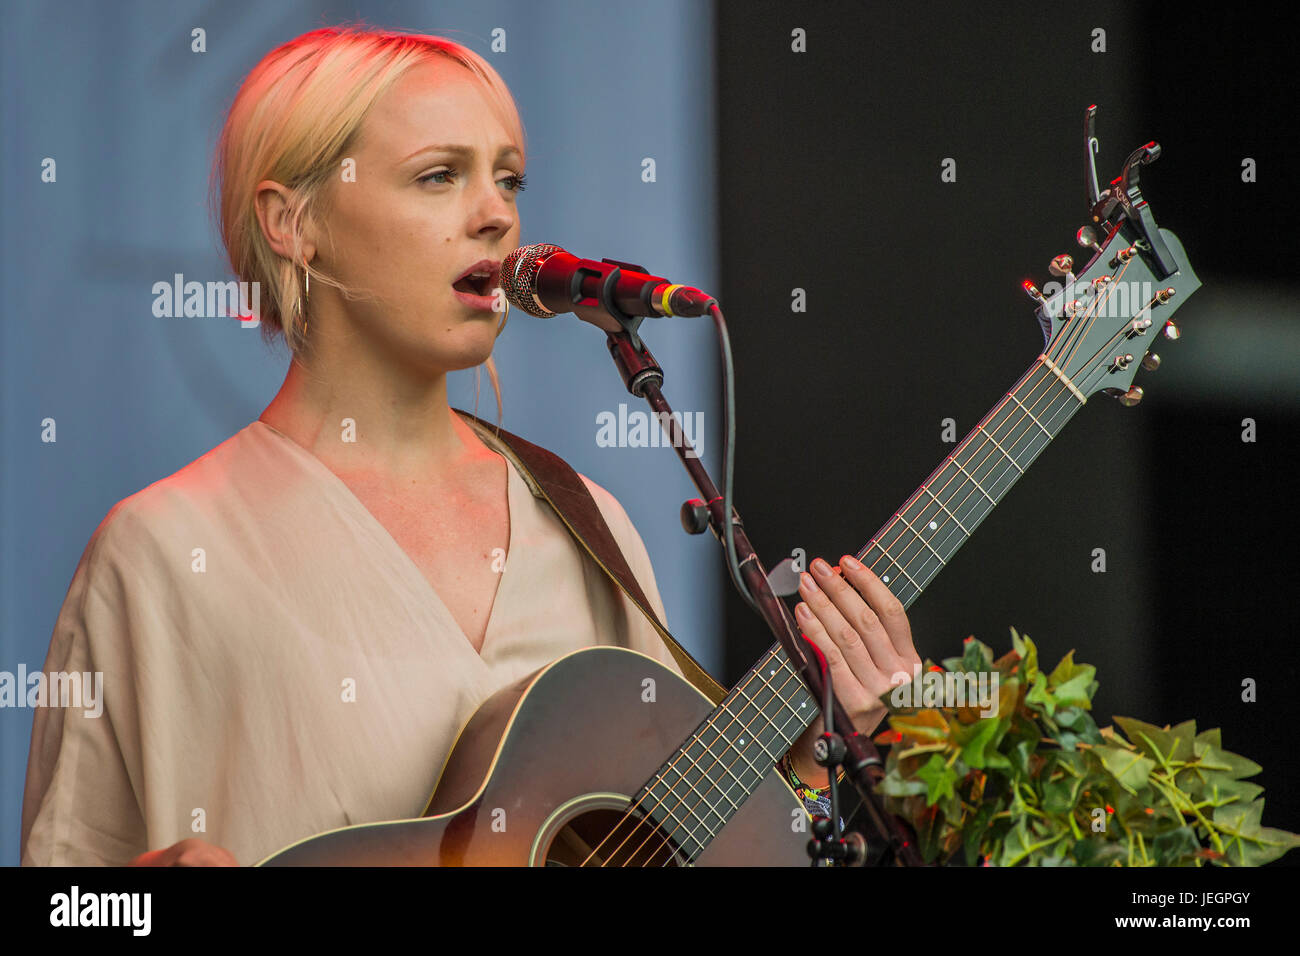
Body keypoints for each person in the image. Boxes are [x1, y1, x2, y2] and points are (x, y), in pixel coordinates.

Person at [20, 24, 921, 867]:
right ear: (291, 222)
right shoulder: (162, 555)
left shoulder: (583, 526)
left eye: (509, 179)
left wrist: (805, 768)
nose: (495, 214)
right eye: (438, 175)